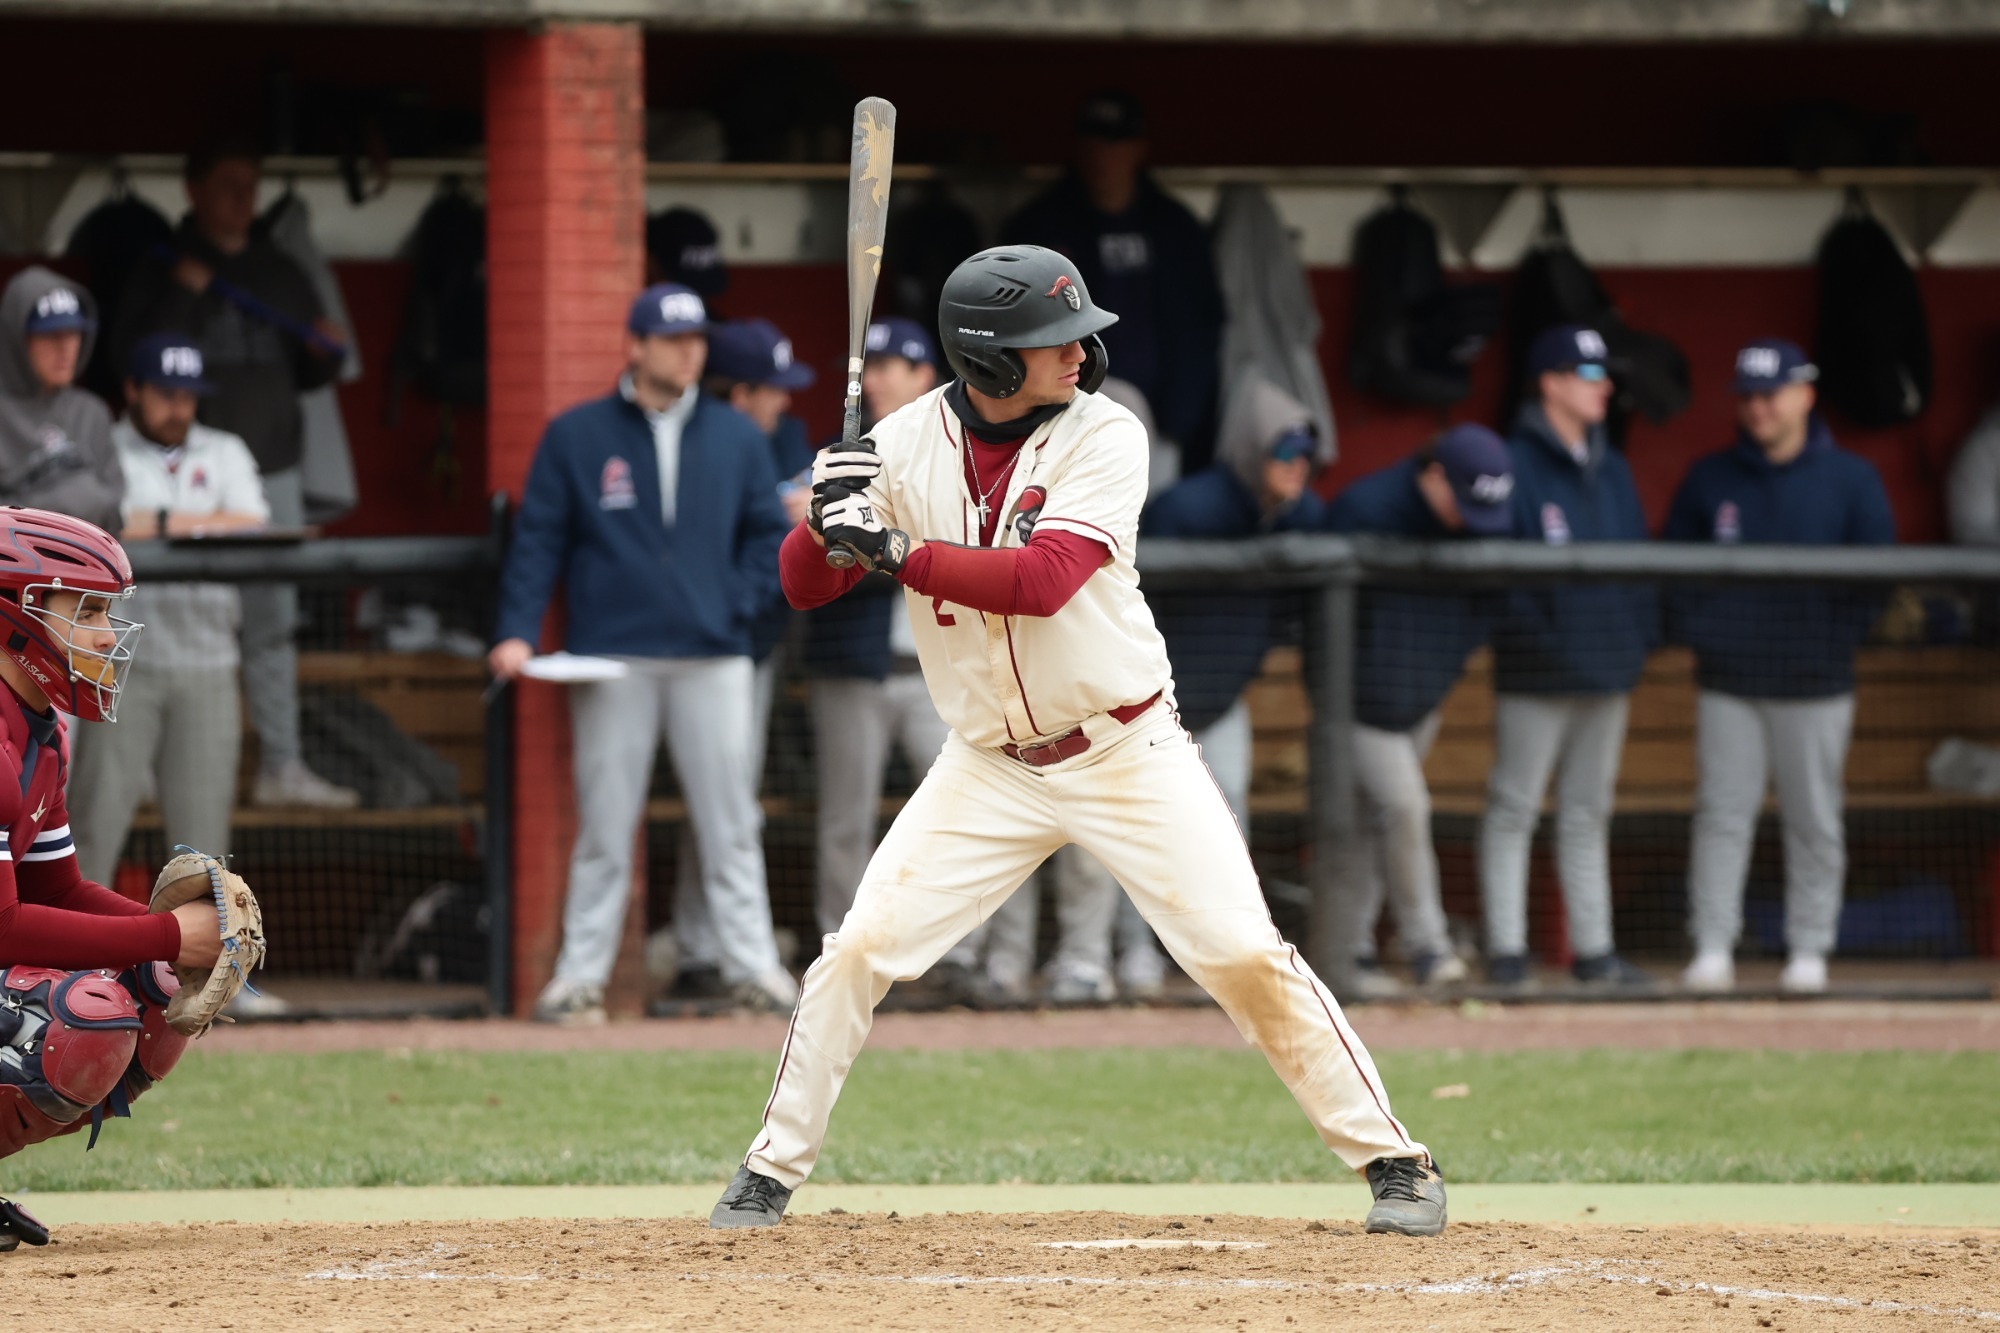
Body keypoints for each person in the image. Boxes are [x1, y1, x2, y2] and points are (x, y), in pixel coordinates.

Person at [709, 244, 1444, 1237]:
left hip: (1123, 749)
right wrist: (822, 515)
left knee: (1239, 951)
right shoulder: (898, 442)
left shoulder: (1107, 433)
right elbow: (805, 585)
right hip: (987, 767)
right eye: (1053, 342)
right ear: (992, 362)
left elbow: (1040, 581)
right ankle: (766, 1172)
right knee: (858, 950)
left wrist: (886, 548)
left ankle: (1392, 1159)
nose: (1080, 352)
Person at [490, 284, 795, 1023]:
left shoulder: (735, 435)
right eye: (673, 339)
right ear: (636, 345)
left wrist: (736, 604)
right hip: (612, 656)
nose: (690, 352)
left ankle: (753, 969)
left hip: (713, 653)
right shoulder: (577, 434)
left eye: (697, 341)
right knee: (604, 822)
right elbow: (538, 542)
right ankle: (577, 978)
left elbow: (767, 537)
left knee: (730, 821)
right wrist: (518, 628)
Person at [0, 507, 223, 1248]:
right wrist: (165, 930)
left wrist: (172, 946)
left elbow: (56, 890)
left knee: (150, 989)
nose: (104, 633)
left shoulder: (34, 729)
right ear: (18, 611)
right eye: (87, 608)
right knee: (79, 1014)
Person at [113, 138, 355, 810]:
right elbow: (128, 364)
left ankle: (281, 762)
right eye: (227, 184)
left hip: (266, 467)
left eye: (251, 184)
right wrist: (182, 297)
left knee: (270, 622)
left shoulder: (279, 267)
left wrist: (325, 352)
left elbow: (313, 370)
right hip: (175, 466)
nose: (242, 198)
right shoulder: (162, 261)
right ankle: (147, 766)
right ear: (192, 188)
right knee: (152, 609)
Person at [1665, 340, 1895, 994]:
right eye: (1747, 396)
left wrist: (1830, 639)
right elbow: (1673, 574)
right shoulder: (1711, 477)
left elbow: (1878, 581)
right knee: (1721, 814)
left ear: (1804, 394)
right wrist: (1714, 638)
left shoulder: (1852, 478)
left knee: (1815, 817)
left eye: (1770, 393)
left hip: (1818, 683)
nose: (1758, 407)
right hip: (1731, 682)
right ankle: (1712, 947)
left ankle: (1811, 948)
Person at [1481, 325, 1655, 992]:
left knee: (1588, 809)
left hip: (1609, 667)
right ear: (1549, 381)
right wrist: (1544, 641)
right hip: (1538, 671)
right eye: (1587, 372)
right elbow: (1502, 580)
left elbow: (1638, 565)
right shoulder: (1513, 460)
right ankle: (1507, 952)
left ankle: (1595, 952)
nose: (1603, 384)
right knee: (1514, 805)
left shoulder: (1614, 466)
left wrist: (1632, 644)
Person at [70, 334, 270, 887]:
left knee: (205, 851)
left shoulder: (225, 450)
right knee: (93, 827)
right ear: (133, 390)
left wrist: (152, 525)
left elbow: (254, 525)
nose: (178, 407)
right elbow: (94, 527)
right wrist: (195, 525)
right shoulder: (103, 446)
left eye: (188, 395)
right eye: (165, 393)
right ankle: (74, 970)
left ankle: (206, 976)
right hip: (120, 663)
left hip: (209, 661)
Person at [1322, 426, 1515, 995]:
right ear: (1433, 476)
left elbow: (1490, 599)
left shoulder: (1483, 519)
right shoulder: (1366, 507)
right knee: (1406, 810)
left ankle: (1351, 952)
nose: (1470, 518)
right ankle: (1428, 948)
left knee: (1368, 827)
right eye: (1461, 499)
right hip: (1357, 706)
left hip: (1421, 702)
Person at [668, 316, 817, 997]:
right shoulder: (693, 444)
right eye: (769, 389)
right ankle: (707, 947)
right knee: (723, 800)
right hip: (702, 646)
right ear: (738, 393)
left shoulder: (778, 436)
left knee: (729, 800)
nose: (783, 401)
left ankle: (712, 944)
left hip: (755, 645)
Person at [1005, 91, 1225, 470]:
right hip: (1060, 416)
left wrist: (1181, 421)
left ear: (1139, 148)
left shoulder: (1176, 228)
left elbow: (1201, 330)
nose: (1102, 154)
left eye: (1115, 142)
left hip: (1161, 422)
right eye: (1092, 141)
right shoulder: (1040, 225)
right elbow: (1008, 326)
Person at [0, 269, 124, 531]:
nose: (66, 347)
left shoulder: (92, 412)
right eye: (50, 334)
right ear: (16, 338)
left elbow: (115, 507)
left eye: (74, 333)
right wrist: (72, 500)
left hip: (88, 563)